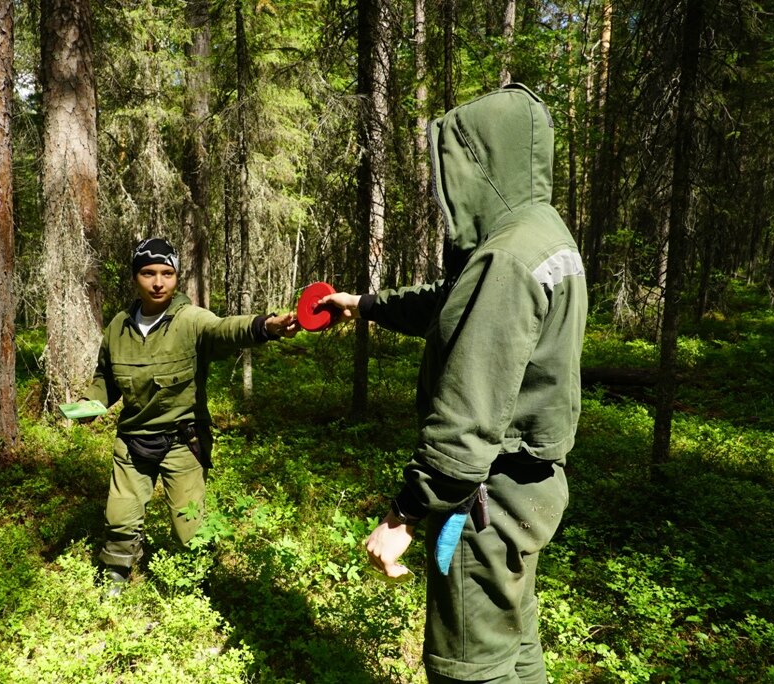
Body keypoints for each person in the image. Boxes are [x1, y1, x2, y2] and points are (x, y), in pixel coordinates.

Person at [321, 84, 587, 683]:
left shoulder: (506, 258)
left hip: (485, 501)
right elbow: (451, 306)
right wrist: (364, 304)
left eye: (454, 161)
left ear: (483, 159)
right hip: (530, 488)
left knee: (469, 666)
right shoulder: (543, 235)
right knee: (514, 641)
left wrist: (402, 516)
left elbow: (468, 422)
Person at [80, 237, 299, 587]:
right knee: (119, 518)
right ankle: (116, 576)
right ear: (135, 277)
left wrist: (265, 326)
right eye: (148, 273)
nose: (157, 282)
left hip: (183, 441)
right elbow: (105, 378)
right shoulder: (118, 327)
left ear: (177, 277)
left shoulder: (192, 320)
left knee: (189, 528)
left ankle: (197, 586)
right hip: (133, 440)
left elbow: (225, 329)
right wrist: (91, 403)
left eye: (167, 273)